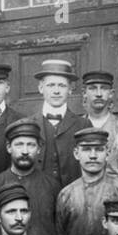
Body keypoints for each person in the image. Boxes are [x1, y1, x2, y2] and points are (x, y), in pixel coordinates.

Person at [0, 117, 62, 235]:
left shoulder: (52, 186)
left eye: (31, 145)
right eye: (19, 144)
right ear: (9, 147)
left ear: (39, 148)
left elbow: (61, 232)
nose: (25, 151)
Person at [56, 127, 118, 235]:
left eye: (99, 150)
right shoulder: (66, 194)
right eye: (86, 150)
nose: (93, 156)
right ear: (76, 153)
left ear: (108, 153)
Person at [33, 58, 91, 187]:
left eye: (62, 85)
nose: (56, 91)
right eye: (51, 85)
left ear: (70, 89)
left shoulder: (83, 125)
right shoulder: (28, 124)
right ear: (41, 88)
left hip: (73, 196)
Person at [80, 69, 118, 177]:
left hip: (116, 191)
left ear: (111, 93)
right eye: (93, 88)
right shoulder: (76, 126)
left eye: (104, 89)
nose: (99, 94)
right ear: (84, 93)